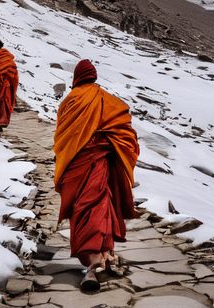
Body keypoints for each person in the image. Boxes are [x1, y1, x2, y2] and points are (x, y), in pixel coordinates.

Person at [53, 60, 138, 293]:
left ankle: (94, 261)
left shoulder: (69, 102)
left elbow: (62, 139)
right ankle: (103, 253)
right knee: (102, 204)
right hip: (101, 160)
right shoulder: (106, 100)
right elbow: (126, 131)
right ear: (93, 75)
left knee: (84, 208)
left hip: (76, 165)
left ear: (77, 77)